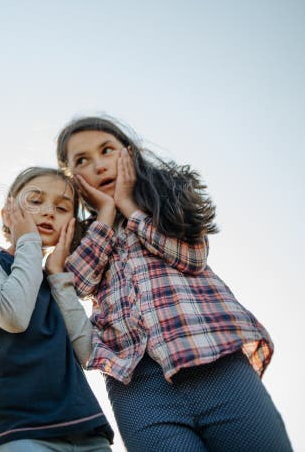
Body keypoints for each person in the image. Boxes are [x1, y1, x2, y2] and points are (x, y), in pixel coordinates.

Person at [56, 116, 291, 451]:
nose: (98, 165)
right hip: (138, 385)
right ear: (73, 179)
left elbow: (192, 256)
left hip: (215, 361)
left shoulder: (166, 204)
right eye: (82, 161)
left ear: (130, 153)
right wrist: (107, 216)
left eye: (106, 150)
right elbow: (77, 282)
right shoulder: (87, 234)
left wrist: (128, 207)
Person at [0, 167, 114, 451]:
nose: (49, 212)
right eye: (35, 201)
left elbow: (87, 352)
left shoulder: (55, 278)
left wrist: (58, 274)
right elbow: (13, 316)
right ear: (8, 212)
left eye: (61, 208)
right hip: (19, 429)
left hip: (85, 428)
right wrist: (28, 241)